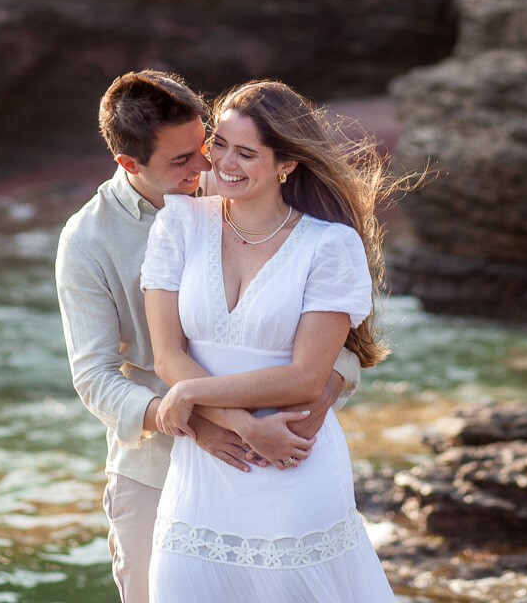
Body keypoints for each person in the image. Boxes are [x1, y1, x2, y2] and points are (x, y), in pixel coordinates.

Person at [55, 69, 361, 603]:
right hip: (156, 467)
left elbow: (334, 327)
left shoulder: (243, 184)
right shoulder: (89, 239)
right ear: (129, 164)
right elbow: (94, 377)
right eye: (183, 160)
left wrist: (329, 383)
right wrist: (206, 422)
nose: (206, 167)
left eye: (206, 145)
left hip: (276, 457)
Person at [141, 78, 396, 601]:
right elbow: (168, 356)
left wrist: (191, 394)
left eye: (247, 153)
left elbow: (306, 379)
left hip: (292, 469)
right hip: (203, 477)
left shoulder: (330, 245)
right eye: (221, 147)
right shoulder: (179, 224)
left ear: (286, 163)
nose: (225, 164)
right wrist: (240, 426)